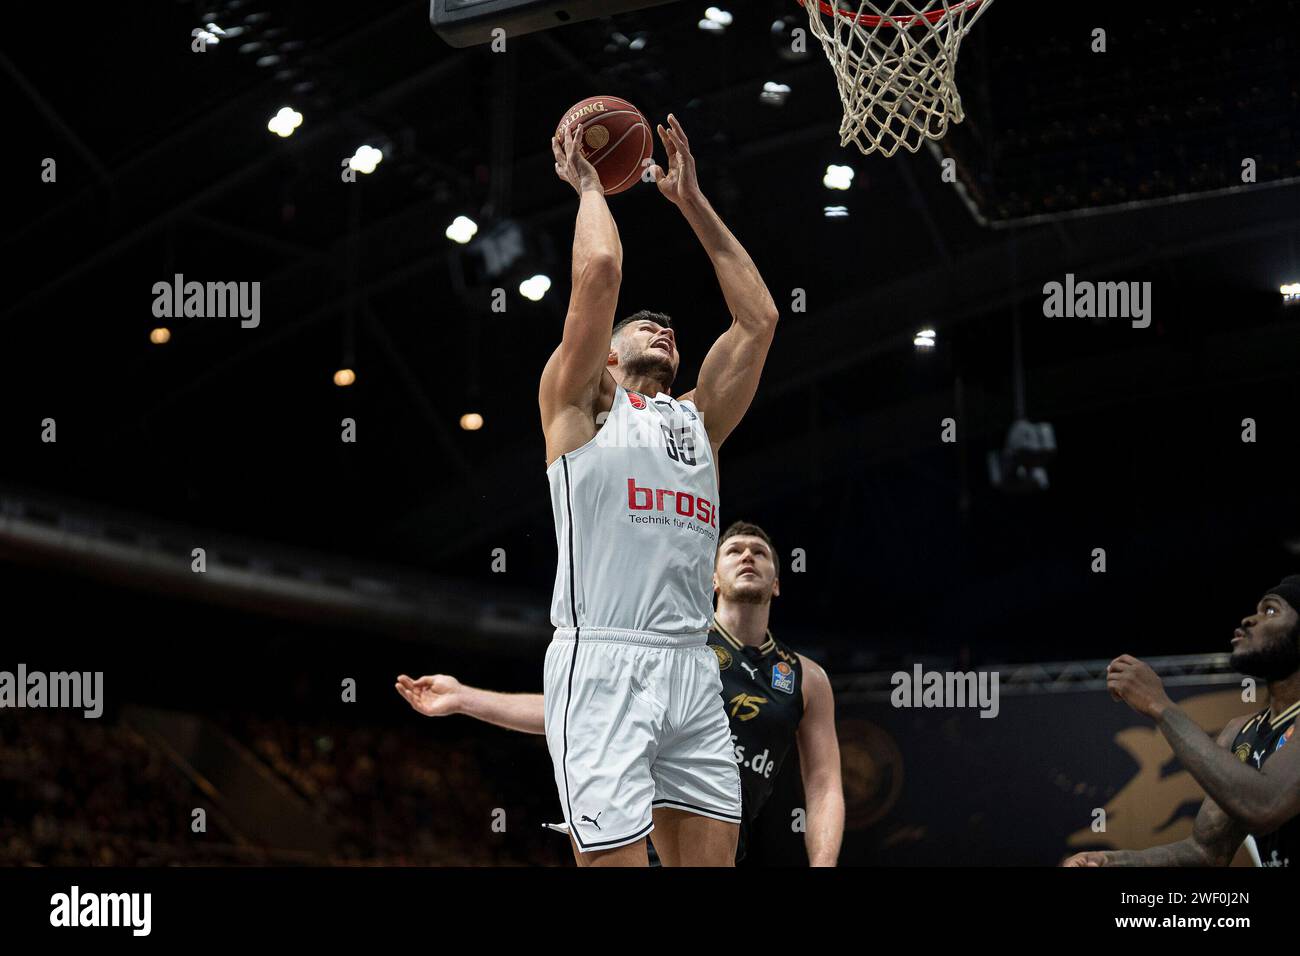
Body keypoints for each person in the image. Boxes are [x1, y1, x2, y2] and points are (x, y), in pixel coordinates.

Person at [520, 115, 778, 865]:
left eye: (668, 327)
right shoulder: (581, 405)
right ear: (602, 354)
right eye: (642, 328)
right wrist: (592, 183)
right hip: (601, 666)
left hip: (691, 666)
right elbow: (599, 271)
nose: (662, 328)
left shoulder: (698, 419)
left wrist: (690, 201)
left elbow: (758, 320)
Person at [397, 521, 845, 865]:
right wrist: (463, 698)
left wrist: (823, 863)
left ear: (777, 582)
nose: (747, 556)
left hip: (713, 847)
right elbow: (574, 713)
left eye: (760, 552)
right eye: (733, 551)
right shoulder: (673, 643)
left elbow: (824, 783)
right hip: (637, 834)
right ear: (712, 577)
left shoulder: (806, 677)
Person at [1063, 575, 1300, 867]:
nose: (1250, 619)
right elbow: (1207, 852)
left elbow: (1264, 806)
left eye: (1271, 611)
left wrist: (1158, 703)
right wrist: (1109, 861)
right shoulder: (1241, 731)